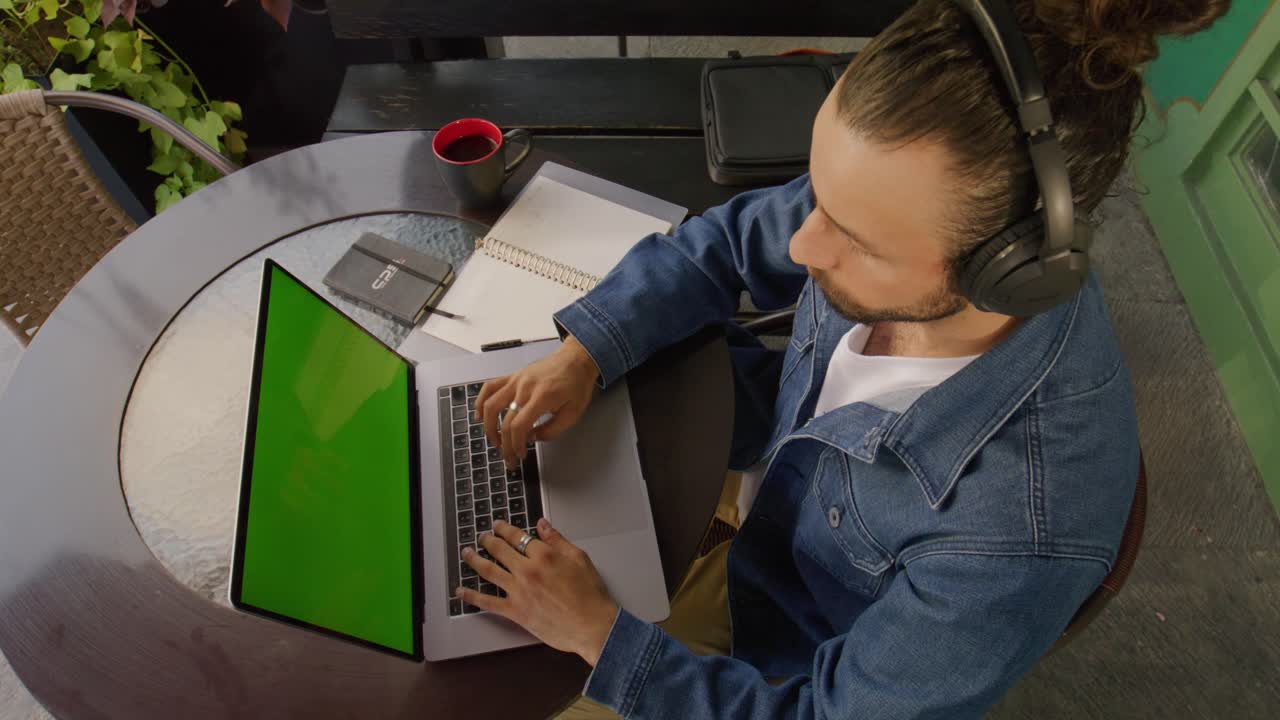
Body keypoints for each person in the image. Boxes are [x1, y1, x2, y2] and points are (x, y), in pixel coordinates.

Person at [454, 0, 1228, 717]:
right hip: (757, 483)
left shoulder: (1012, 543)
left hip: (772, 653)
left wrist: (599, 635)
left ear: (1008, 270)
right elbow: (725, 244)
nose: (800, 245)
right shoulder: (900, 196)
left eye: (855, 240)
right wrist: (589, 350)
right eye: (819, 194)